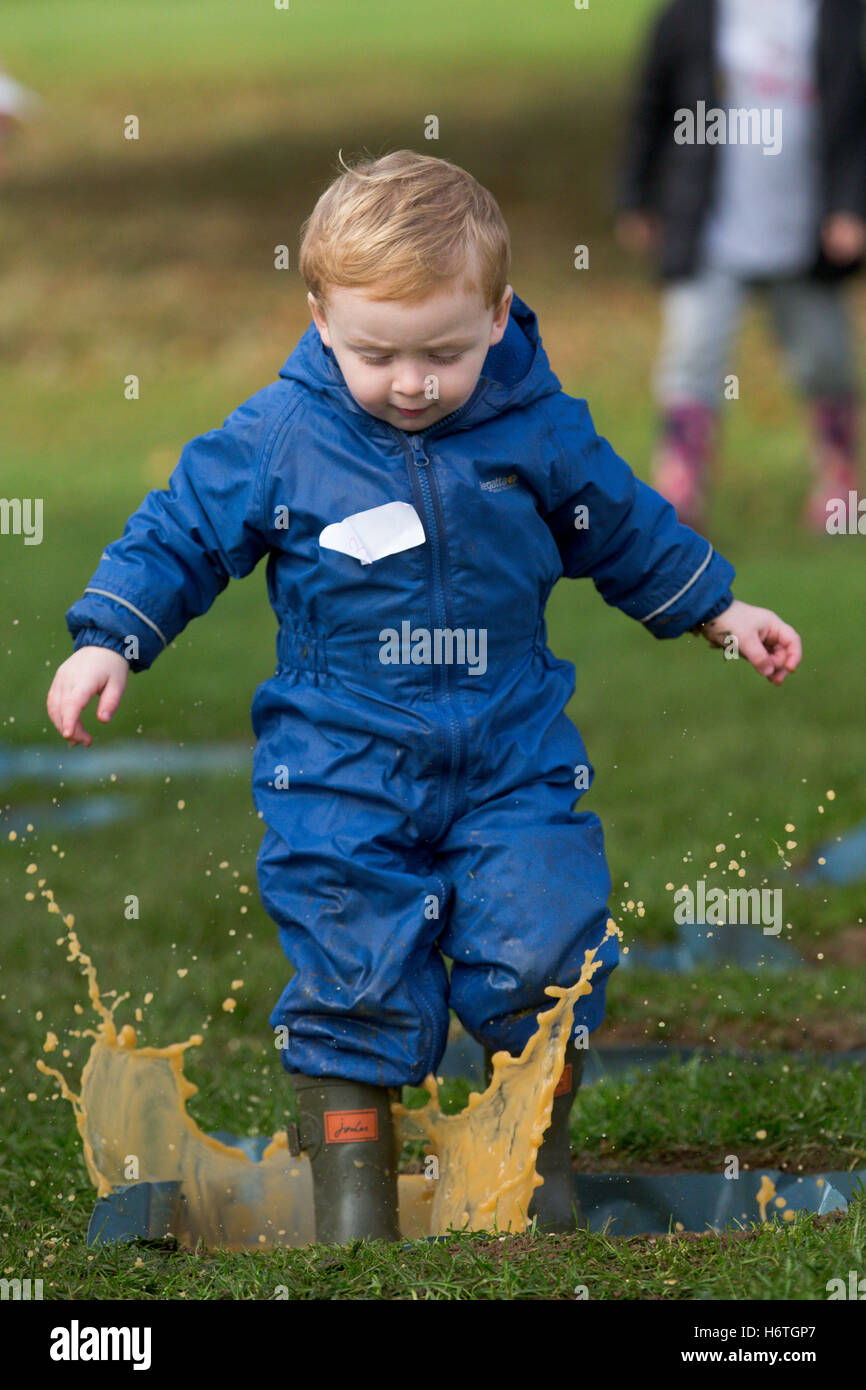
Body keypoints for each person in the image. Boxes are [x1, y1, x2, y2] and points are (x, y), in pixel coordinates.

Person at [46, 150, 802, 1243]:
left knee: (541, 950)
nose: (410, 381)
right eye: (375, 353)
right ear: (317, 316)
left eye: (442, 351)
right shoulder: (278, 436)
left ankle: (531, 1166)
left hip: (511, 757)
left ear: (497, 315)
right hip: (339, 765)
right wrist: (111, 635)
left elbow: (624, 526)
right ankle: (355, 1206)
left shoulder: (535, 429)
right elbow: (180, 529)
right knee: (356, 965)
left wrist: (717, 609)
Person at [616, 0, 866, 530]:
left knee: (824, 359)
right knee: (692, 354)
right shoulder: (688, 16)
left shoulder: (841, 15)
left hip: (806, 229)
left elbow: (854, 118)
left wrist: (850, 205)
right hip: (709, 227)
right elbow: (651, 107)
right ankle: (681, 486)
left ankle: (839, 481)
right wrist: (636, 197)